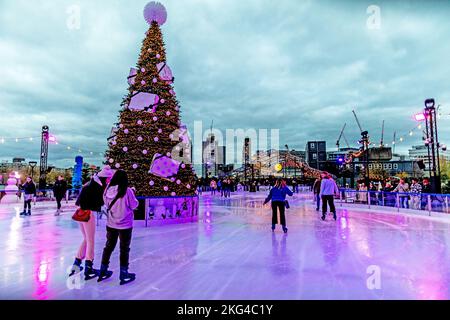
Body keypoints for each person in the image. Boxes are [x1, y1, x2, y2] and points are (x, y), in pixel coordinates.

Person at [69, 165, 115, 280]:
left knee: (86, 239)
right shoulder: (97, 187)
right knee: (90, 240)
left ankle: (76, 265)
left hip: (81, 213)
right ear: (105, 178)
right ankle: (89, 268)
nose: (109, 181)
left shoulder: (89, 184)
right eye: (109, 179)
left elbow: (79, 201)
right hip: (88, 215)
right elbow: (100, 203)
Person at [98, 170, 139, 285]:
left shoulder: (106, 190)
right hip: (125, 225)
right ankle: (123, 273)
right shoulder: (128, 191)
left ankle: (103, 270)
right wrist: (133, 194)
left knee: (108, 247)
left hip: (111, 223)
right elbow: (134, 205)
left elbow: (106, 204)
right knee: (124, 249)